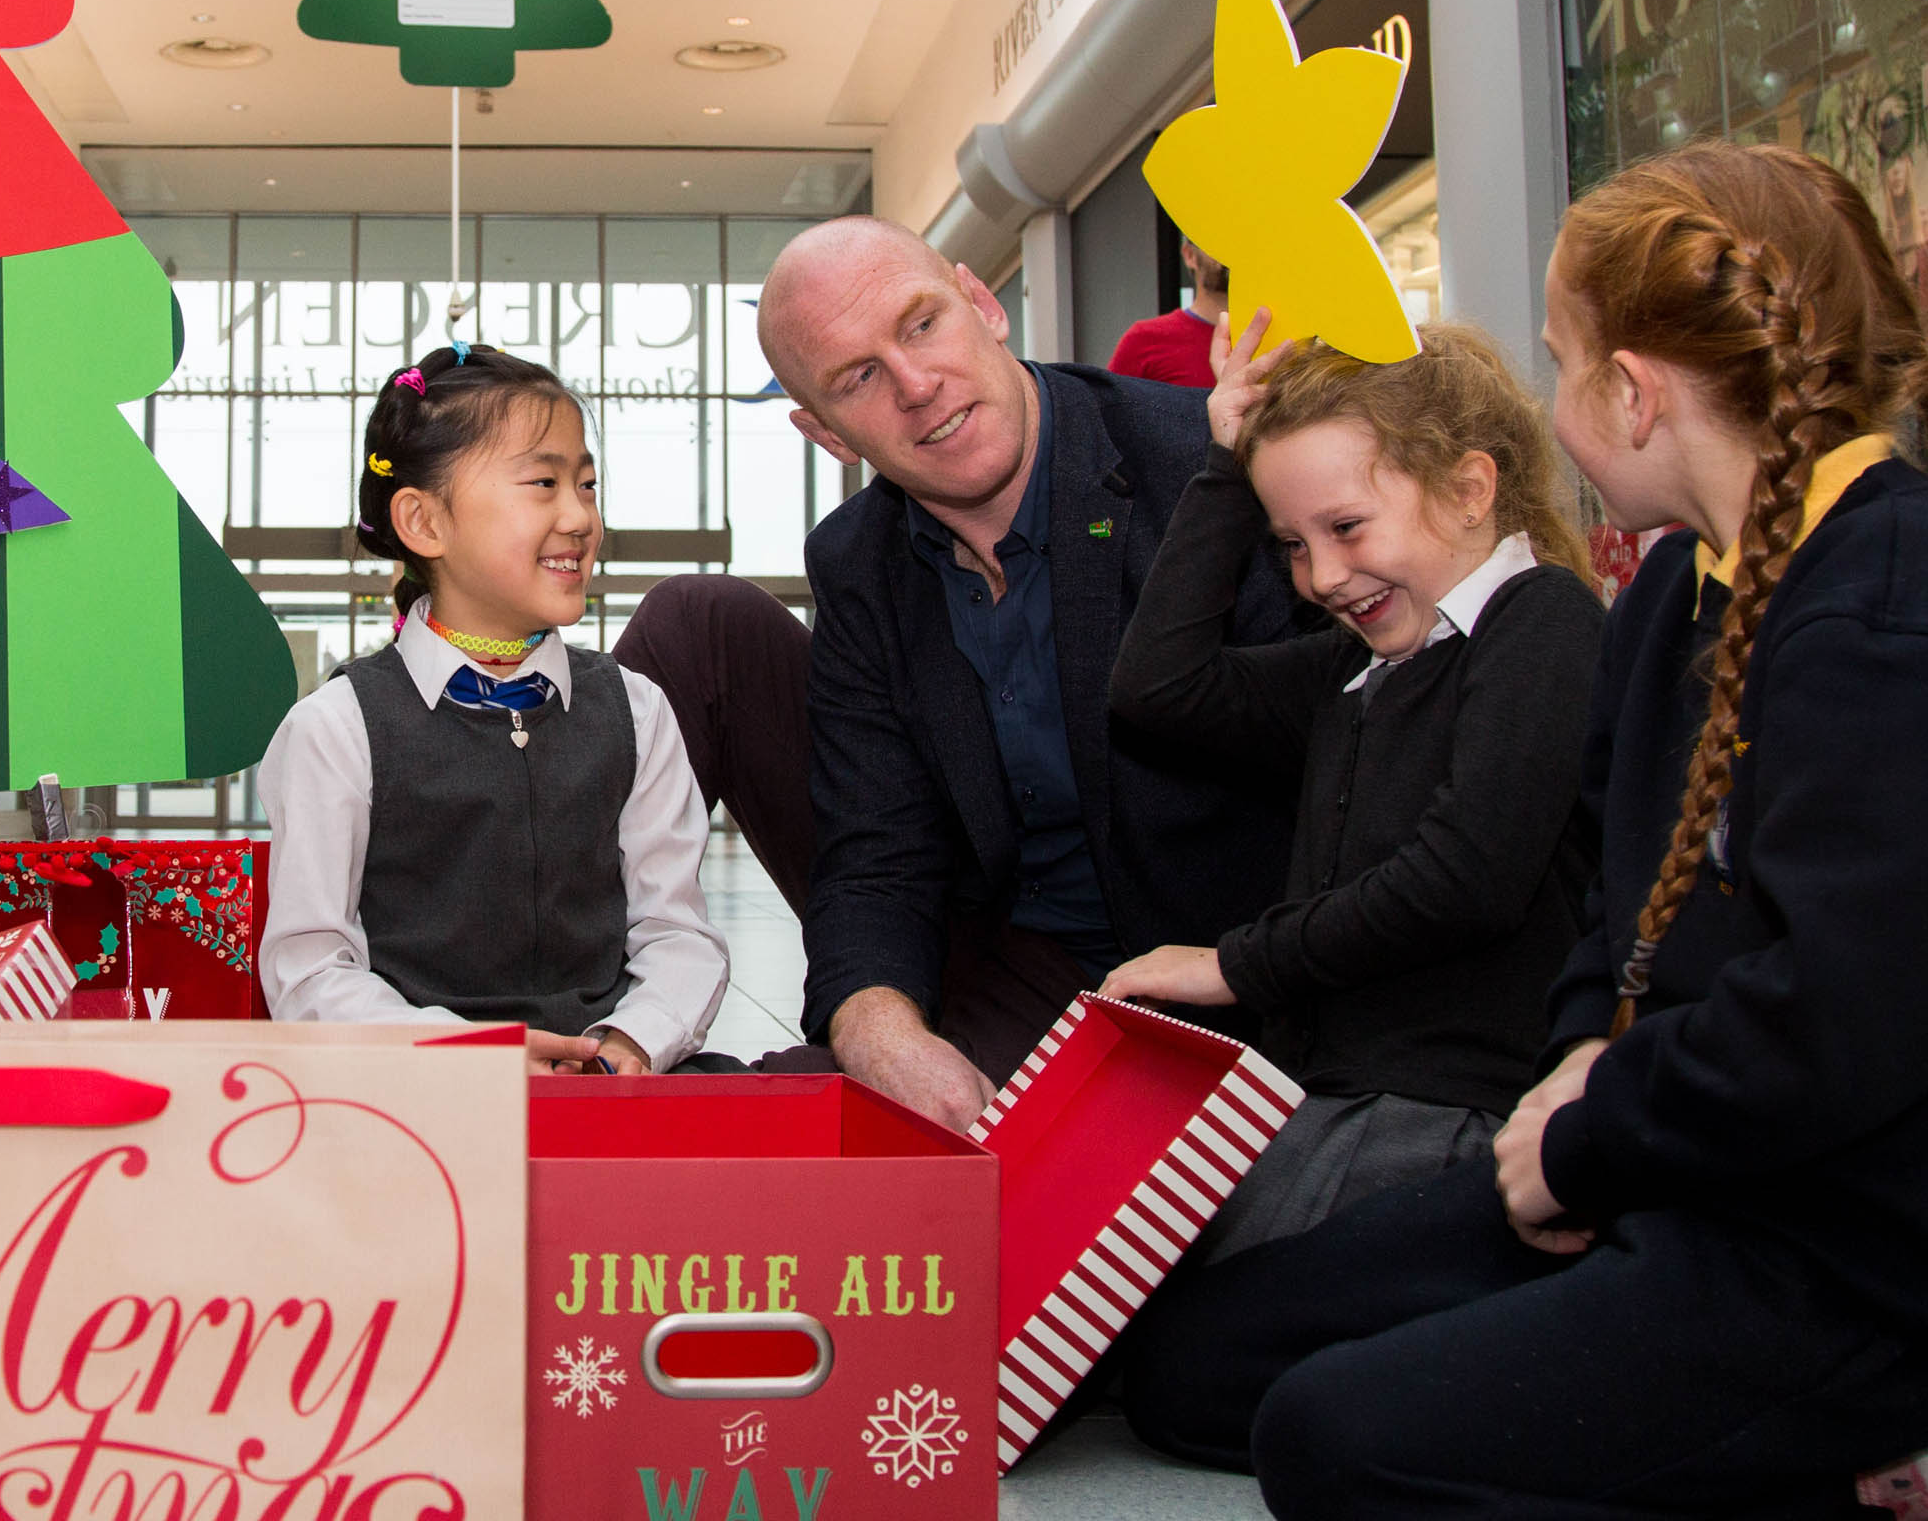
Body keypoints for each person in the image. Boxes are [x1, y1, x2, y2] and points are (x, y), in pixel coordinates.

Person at [1117, 142, 1928, 1521]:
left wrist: (1589, 1140)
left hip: (1843, 1264)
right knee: (1193, 1370)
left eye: (1566, 357)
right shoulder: (1682, 600)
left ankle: (1811, 1482)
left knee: (1335, 1451)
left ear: (1636, 391)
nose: (1556, 398)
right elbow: (1618, 908)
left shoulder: (1900, 614)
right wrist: (1580, 1066)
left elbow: (1841, 1024)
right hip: (1661, 1172)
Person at [618, 218, 1297, 1132]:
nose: (915, 384)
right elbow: (875, 845)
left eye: (922, 324)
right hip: (1002, 947)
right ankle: (547, 1036)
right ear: (826, 434)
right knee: (695, 619)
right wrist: (878, 1027)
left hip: (1214, 972)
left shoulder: (1201, 469)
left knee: (867, 1161)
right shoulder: (859, 560)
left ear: (983, 304)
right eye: (858, 378)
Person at [1106, 316, 1604, 1258]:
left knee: (1190, 1341)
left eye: (1344, 528)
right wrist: (1224, 466)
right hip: (1337, 1094)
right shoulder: (1354, 669)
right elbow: (1156, 686)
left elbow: (1466, 876)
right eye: (1291, 544)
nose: (1322, 576)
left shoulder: (1540, 621)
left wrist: (1232, 963)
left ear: (1467, 489)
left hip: (1454, 1109)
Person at [256, 342, 730, 1076]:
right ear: (424, 521)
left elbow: (677, 932)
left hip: (611, 1086)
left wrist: (630, 1041)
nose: (580, 517)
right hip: (420, 1099)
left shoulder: (635, 709)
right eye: (543, 481)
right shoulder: (338, 729)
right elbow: (310, 970)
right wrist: (469, 1055)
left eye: (588, 484)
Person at [1109, 240, 1231, 386]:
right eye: (1218, 240)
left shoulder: (1264, 338)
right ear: (1190, 255)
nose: (1232, 252)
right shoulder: (1145, 340)